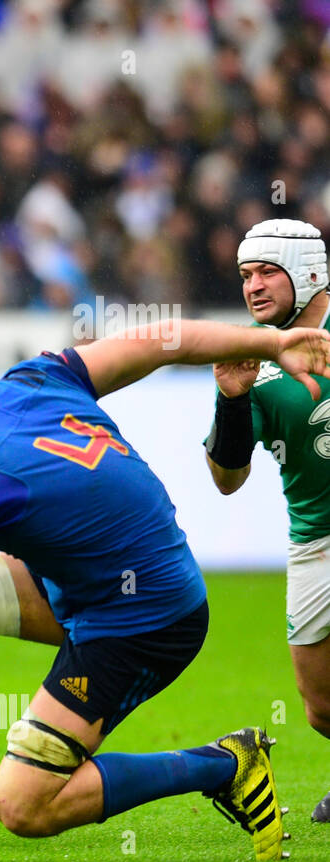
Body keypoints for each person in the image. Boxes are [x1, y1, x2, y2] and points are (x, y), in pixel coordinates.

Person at [0, 316, 327, 862]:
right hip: (127, 583)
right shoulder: (38, 377)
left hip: (144, 625)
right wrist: (273, 342)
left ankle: (227, 764)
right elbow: (163, 339)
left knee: (24, 806)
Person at [206, 219, 330, 823]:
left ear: (308, 272)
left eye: (265, 272)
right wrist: (232, 399)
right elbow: (227, 480)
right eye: (245, 275)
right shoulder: (251, 358)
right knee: (320, 707)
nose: (252, 287)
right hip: (315, 540)